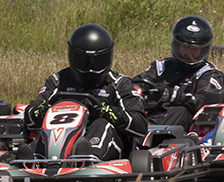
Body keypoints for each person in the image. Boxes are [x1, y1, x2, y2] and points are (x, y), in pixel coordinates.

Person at [22, 24, 147, 160]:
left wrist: (109, 112)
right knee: (47, 129)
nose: (90, 67)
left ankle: (87, 157)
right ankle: (33, 158)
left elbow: (140, 125)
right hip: (63, 138)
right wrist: (41, 111)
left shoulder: (119, 83)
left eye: (96, 62)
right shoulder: (58, 81)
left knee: (101, 123)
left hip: (103, 145)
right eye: (83, 61)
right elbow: (29, 117)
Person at [132, 15, 224, 128]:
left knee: (180, 111)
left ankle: (143, 134)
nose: (189, 54)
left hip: (184, 128)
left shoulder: (209, 73)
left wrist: (175, 96)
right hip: (151, 115)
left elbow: (205, 102)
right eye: (185, 48)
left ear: (203, 49)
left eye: (194, 49)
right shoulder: (161, 66)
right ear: (177, 45)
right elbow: (138, 84)